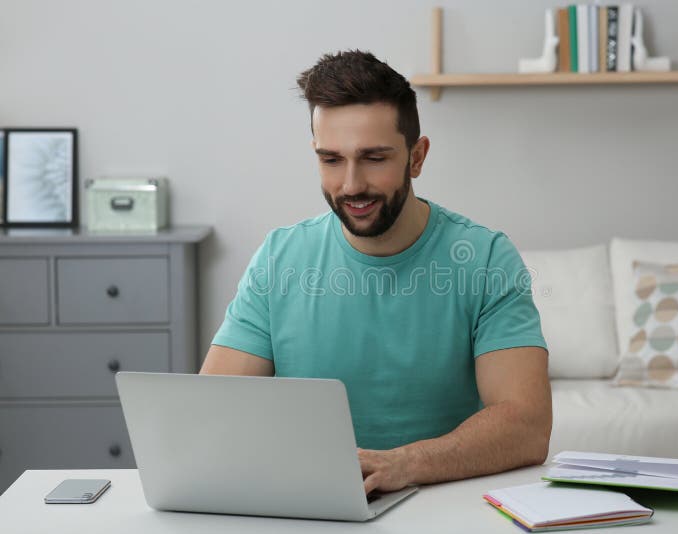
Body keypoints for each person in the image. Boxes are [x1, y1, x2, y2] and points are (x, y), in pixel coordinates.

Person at [200, 50, 551, 495]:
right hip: (313, 504)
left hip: (442, 502)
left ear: (417, 157)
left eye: (374, 158)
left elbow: (528, 425)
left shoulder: (484, 259)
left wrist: (404, 464)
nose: (351, 185)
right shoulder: (278, 258)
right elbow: (212, 412)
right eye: (331, 160)